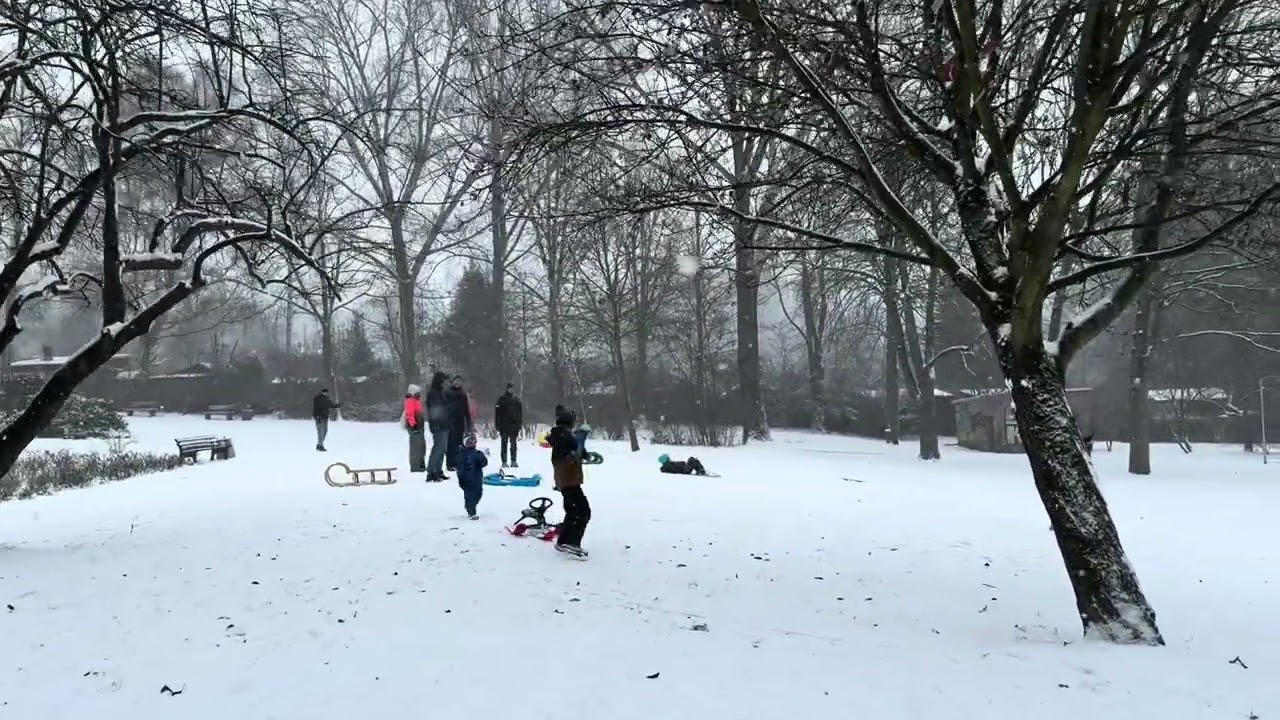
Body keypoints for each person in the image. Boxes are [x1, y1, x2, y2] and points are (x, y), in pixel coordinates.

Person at [549, 408, 590, 557]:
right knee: (583, 512)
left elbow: (574, 451)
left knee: (573, 512)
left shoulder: (562, 437)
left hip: (567, 481)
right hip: (568, 482)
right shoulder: (563, 438)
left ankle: (563, 542)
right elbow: (566, 459)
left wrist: (583, 454)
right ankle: (572, 543)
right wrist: (576, 454)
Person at [456, 431, 488, 520]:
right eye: (469, 442)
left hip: (477, 479)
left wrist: (482, 460)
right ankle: (471, 511)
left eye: (474, 442)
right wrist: (461, 479)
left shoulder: (478, 453)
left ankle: (472, 505)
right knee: (469, 496)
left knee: (478, 494)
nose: (472, 444)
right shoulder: (462, 454)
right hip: (467, 481)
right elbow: (459, 467)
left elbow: (484, 463)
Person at [425, 371, 450, 482]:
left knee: (442, 448)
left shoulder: (441, 392)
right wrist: (436, 424)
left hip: (444, 424)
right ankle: (431, 471)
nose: (446, 383)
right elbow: (435, 410)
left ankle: (438, 470)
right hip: (438, 425)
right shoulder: (434, 393)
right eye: (444, 381)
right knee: (438, 448)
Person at [444, 375, 472, 472]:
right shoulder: (447, 393)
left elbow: (466, 410)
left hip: (460, 422)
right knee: (450, 444)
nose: (457, 383)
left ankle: (457, 462)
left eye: (459, 381)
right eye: (456, 381)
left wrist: (469, 423)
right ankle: (450, 463)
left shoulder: (463, 394)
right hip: (450, 422)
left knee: (459, 444)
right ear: (452, 382)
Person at [494, 383, 523, 468]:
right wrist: (497, 424)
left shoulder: (516, 399)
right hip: (504, 425)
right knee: (504, 443)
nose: (510, 390)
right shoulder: (501, 399)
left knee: (513, 444)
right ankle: (504, 461)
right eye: (509, 388)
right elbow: (497, 413)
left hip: (514, 425)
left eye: (512, 388)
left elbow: (519, 413)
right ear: (506, 389)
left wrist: (519, 424)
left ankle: (513, 460)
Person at [401, 384, 427, 473]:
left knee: (420, 446)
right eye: (417, 393)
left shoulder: (416, 400)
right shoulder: (410, 401)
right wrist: (413, 424)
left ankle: (420, 463)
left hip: (418, 425)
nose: (419, 394)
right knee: (416, 446)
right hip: (415, 426)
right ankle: (416, 466)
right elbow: (409, 414)